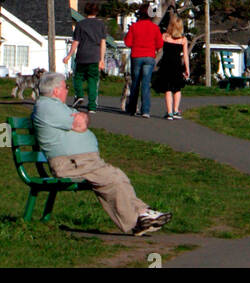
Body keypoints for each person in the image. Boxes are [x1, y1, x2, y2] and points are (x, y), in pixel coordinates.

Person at [31, 72, 172, 235]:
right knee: (112, 178)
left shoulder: (56, 106)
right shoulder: (47, 106)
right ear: (56, 90)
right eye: (65, 87)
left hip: (80, 162)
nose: (67, 90)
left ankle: (142, 214)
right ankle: (137, 220)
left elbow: (81, 120)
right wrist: (80, 117)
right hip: (70, 163)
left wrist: (81, 117)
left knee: (117, 176)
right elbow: (79, 123)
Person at [63, 2, 106, 112]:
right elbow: (103, 43)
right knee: (92, 81)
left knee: (77, 77)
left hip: (82, 55)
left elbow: (76, 42)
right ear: (97, 12)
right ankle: (92, 106)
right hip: (95, 56)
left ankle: (79, 94)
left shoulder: (80, 24)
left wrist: (69, 55)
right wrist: (102, 59)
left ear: (86, 11)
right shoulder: (101, 25)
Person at [123, 5, 163, 117]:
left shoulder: (135, 27)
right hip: (149, 56)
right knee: (146, 83)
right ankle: (145, 110)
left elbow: (128, 43)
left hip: (136, 55)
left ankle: (132, 108)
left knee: (135, 83)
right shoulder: (155, 28)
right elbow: (160, 44)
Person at [157, 14, 189, 120]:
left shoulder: (165, 37)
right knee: (177, 88)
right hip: (176, 65)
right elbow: (185, 55)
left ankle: (169, 112)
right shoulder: (183, 40)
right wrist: (187, 69)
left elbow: (158, 48)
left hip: (166, 64)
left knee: (168, 88)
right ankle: (176, 110)